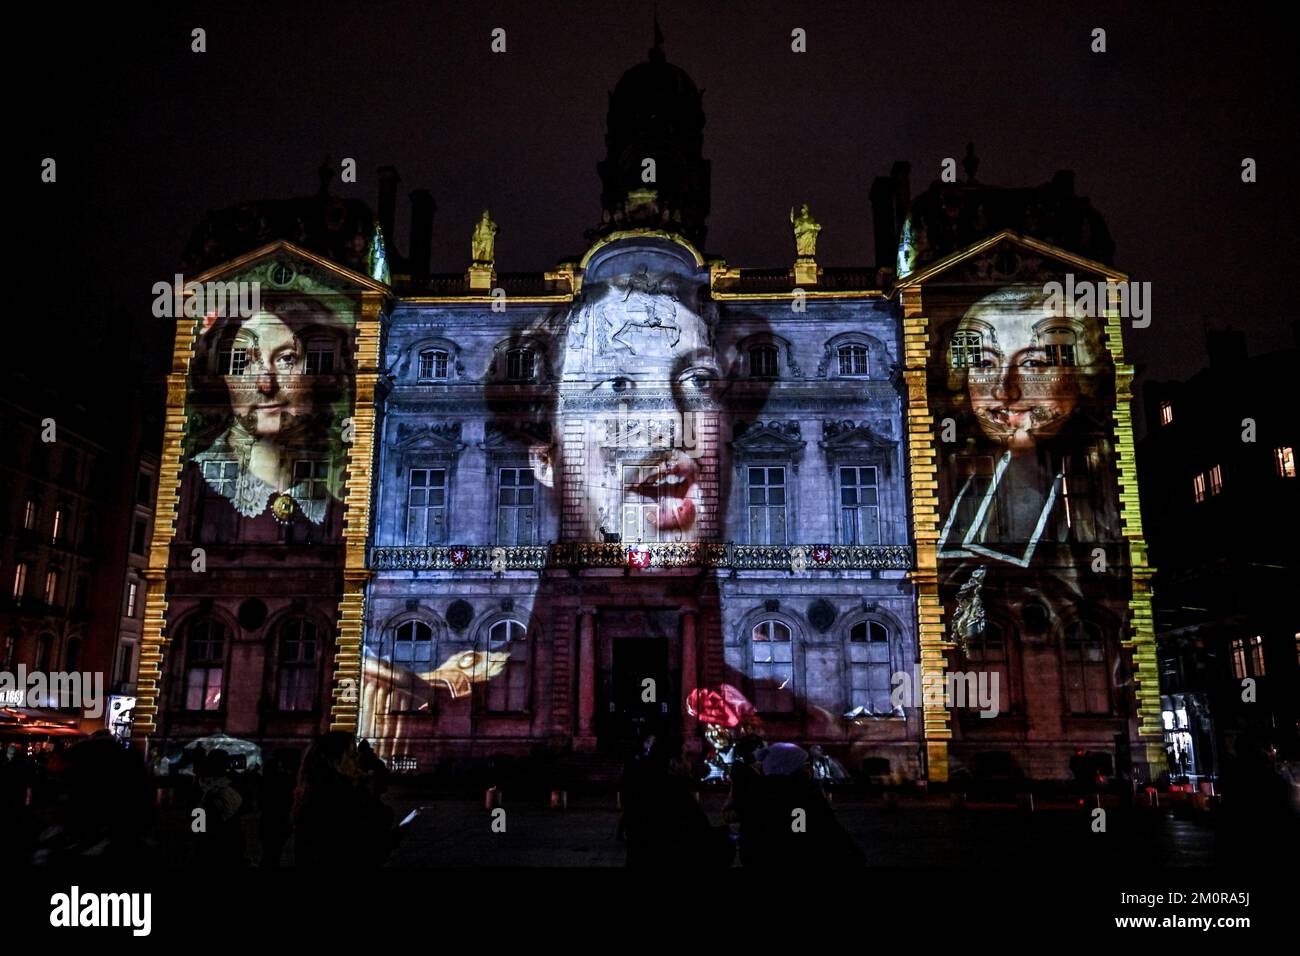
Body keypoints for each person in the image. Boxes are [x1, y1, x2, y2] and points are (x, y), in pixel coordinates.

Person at [739, 742, 863, 867]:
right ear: (791, 768)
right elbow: (835, 839)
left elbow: (748, 846)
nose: (809, 769)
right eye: (805, 765)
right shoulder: (804, 798)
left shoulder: (757, 797)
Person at [619, 735, 733, 868]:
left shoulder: (642, 789)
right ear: (673, 764)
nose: (689, 764)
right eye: (686, 758)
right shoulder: (676, 795)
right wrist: (727, 836)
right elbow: (699, 841)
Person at [292, 731, 398, 867]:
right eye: (352, 756)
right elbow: (376, 825)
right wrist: (364, 788)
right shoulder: (334, 797)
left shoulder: (318, 791)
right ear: (335, 762)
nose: (357, 761)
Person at [193, 749, 247, 866]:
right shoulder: (229, 784)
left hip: (207, 837)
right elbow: (243, 807)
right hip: (228, 837)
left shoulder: (200, 783)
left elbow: (197, 823)